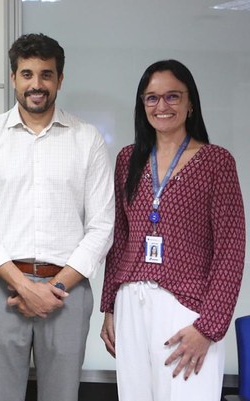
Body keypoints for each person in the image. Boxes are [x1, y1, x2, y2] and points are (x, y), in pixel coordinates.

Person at [0, 33, 114, 401]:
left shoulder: (87, 138)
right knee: (2, 395)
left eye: (46, 74)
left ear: (60, 80)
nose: (36, 84)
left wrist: (55, 288)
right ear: (13, 77)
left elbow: (102, 226)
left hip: (68, 293)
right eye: (27, 74)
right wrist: (26, 287)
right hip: (3, 289)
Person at [100, 59, 246, 401]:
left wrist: (208, 328)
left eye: (172, 97)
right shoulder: (127, 159)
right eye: (151, 98)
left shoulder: (216, 162)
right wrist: (109, 307)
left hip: (187, 311)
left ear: (190, 102)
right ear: (142, 105)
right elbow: (120, 239)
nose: (161, 106)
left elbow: (231, 250)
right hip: (131, 305)